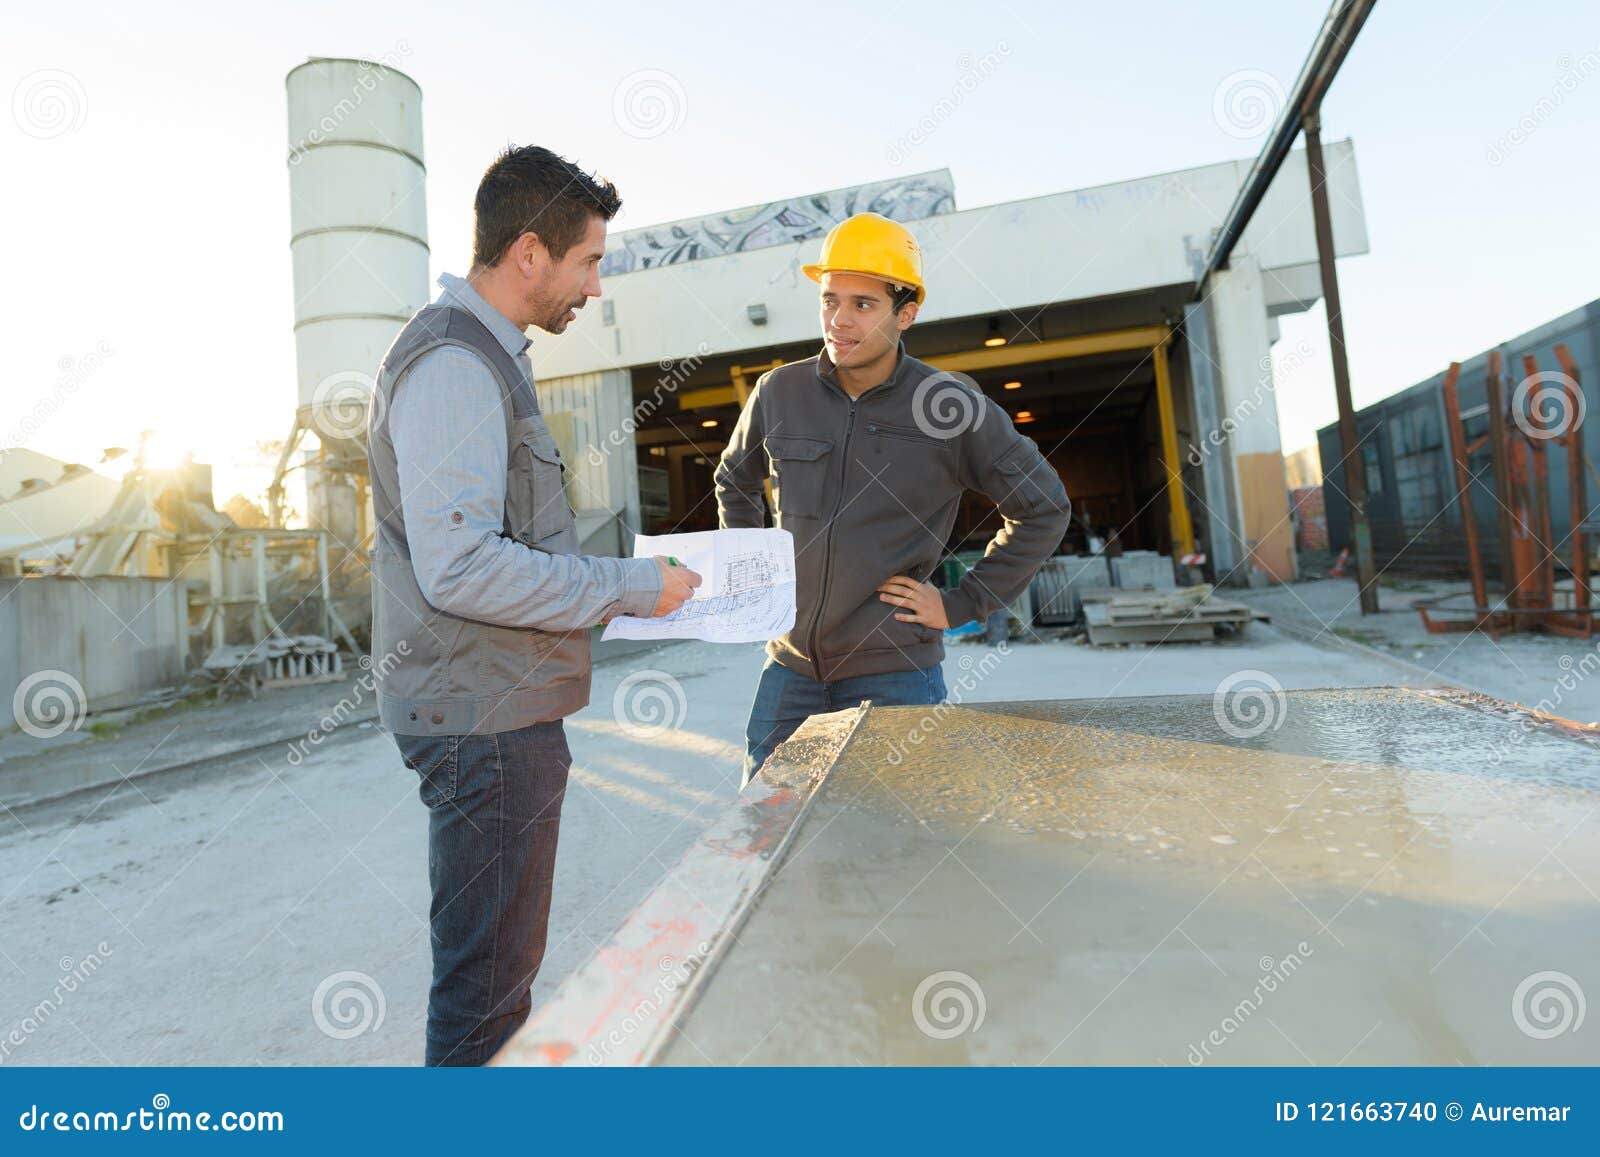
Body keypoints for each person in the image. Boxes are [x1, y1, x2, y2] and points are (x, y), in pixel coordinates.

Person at [367, 144, 701, 1066]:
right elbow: (461, 568)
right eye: (587, 261)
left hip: (496, 707)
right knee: (484, 1001)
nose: (594, 288)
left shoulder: (482, 356)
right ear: (528, 253)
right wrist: (628, 586)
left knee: (493, 987)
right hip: (485, 723)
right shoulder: (452, 365)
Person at [715, 212, 1071, 784]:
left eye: (863, 304)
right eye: (830, 299)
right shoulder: (780, 391)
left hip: (894, 674)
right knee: (768, 838)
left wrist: (962, 605)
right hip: (790, 673)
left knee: (895, 850)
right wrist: (754, 565)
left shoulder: (949, 405)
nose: (840, 320)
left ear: (906, 313)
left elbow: (1044, 507)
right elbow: (733, 478)